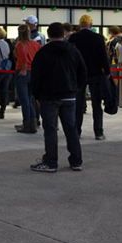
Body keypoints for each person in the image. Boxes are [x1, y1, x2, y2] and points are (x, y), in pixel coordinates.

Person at [28, 22, 86, 172]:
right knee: (71, 129)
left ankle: (51, 162)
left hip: (49, 97)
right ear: (64, 34)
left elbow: (36, 76)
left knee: (50, 129)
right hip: (69, 95)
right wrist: (75, 88)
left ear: (48, 35)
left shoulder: (43, 52)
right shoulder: (73, 50)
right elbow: (82, 72)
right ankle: (76, 160)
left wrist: (37, 95)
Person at [67, 17, 109, 140]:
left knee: (78, 104)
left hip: (78, 74)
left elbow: (70, 56)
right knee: (96, 104)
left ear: (80, 25)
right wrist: (107, 71)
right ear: (91, 24)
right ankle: (98, 132)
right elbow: (103, 56)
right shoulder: (98, 38)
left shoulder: (74, 38)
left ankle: (77, 131)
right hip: (95, 73)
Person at [13, 24, 42, 133]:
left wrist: (24, 69)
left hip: (22, 72)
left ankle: (27, 124)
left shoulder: (21, 44)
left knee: (24, 100)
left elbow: (24, 57)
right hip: (33, 73)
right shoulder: (36, 44)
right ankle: (33, 124)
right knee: (29, 99)